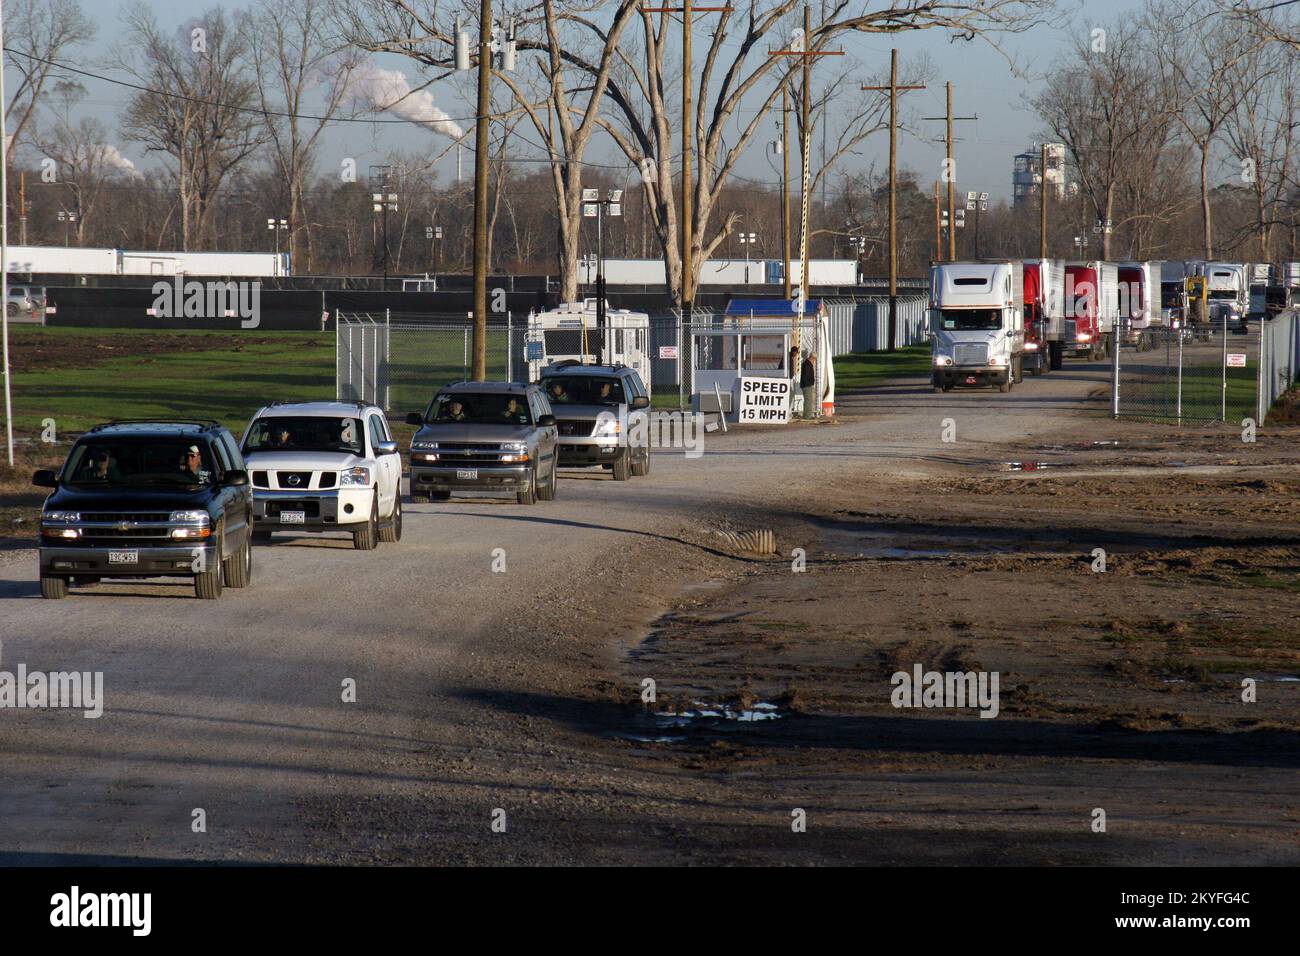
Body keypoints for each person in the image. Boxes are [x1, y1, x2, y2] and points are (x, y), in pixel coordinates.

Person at [800, 350, 819, 420]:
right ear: (813, 358)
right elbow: (806, 376)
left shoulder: (806, 363)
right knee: (808, 400)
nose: (815, 361)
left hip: (806, 385)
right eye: (815, 359)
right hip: (807, 385)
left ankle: (807, 415)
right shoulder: (808, 364)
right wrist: (810, 383)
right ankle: (807, 416)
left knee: (808, 400)